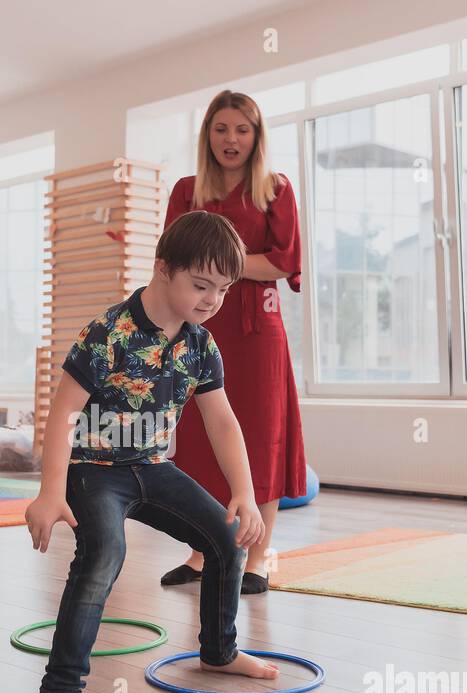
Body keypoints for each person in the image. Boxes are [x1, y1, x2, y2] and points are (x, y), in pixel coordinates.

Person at [26, 210, 274, 693]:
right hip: (94, 471)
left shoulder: (201, 345)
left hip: (154, 467)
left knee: (226, 540)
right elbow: (63, 413)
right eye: (201, 285)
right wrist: (48, 492)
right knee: (103, 556)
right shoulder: (106, 332)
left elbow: (222, 421)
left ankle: (219, 652)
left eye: (223, 290)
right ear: (164, 269)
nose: (212, 300)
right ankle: (60, 691)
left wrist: (246, 494)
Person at [160, 90, 307, 595]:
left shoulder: (275, 189)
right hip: (198, 327)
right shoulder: (185, 191)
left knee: (261, 438)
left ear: (256, 136)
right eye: (221, 129)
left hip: (257, 332)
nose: (231, 139)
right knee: (200, 437)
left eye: (242, 129)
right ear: (208, 135)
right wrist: (238, 263)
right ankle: (201, 551)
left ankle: (259, 556)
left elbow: (284, 261)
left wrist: (216, 265)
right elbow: (173, 260)